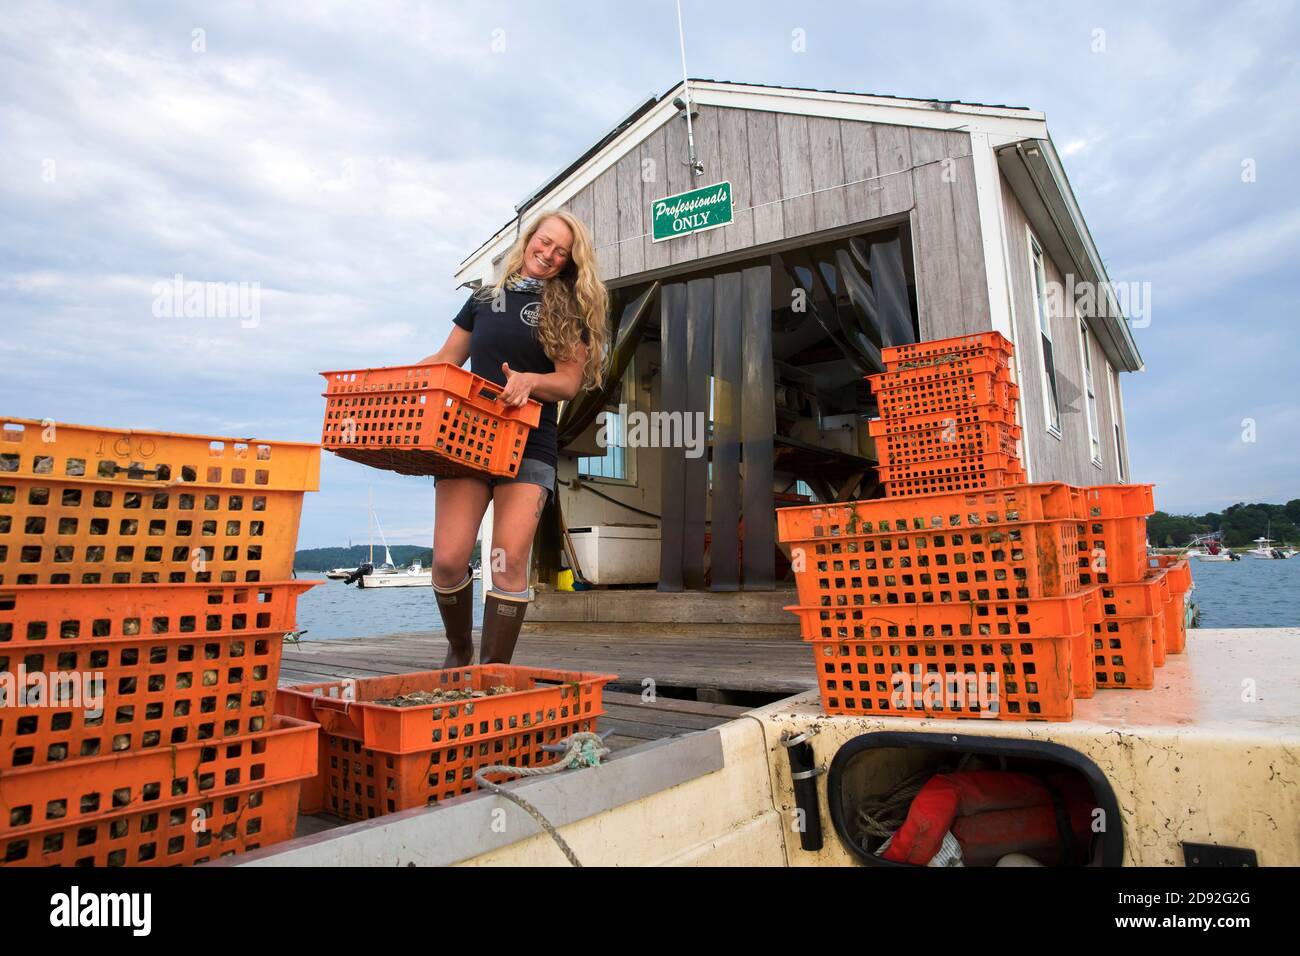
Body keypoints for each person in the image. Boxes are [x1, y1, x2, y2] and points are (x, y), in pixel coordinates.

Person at [417, 210, 609, 667]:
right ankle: (460, 648)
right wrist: (398, 381)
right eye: (543, 243)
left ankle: (491, 673)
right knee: (447, 560)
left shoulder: (570, 309)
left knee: (506, 564)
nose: (548, 254)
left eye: (560, 252)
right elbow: (447, 358)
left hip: (530, 442)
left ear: (569, 262)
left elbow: (565, 382)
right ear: (528, 240)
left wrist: (529, 382)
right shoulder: (484, 299)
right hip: (468, 439)